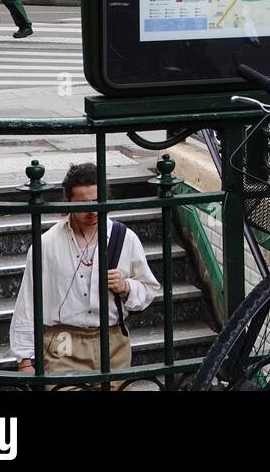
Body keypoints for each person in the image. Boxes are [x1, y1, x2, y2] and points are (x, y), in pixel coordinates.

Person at [9, 163, 160, 384]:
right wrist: (24, 360)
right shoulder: (47, 244)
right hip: (64, 341)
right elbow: (28, 301)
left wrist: (127, 287)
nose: (90, 210)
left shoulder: (124, 237)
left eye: (95, 201)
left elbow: (149, 290)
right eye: (82, 203)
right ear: (68, 202)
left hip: (112, 340)